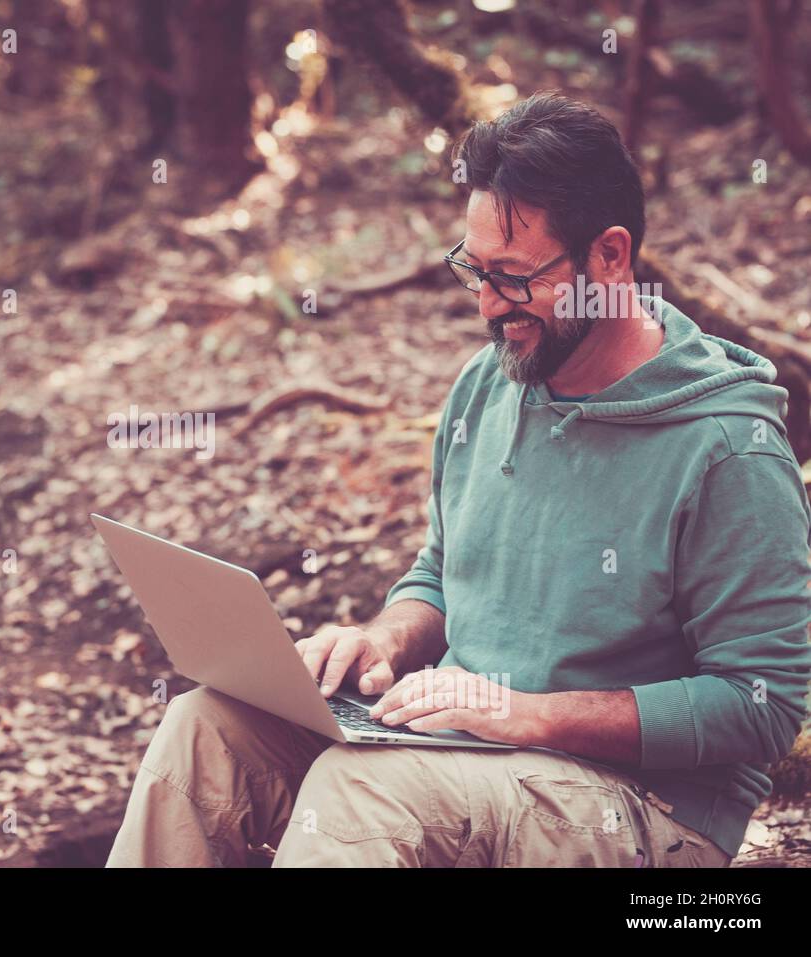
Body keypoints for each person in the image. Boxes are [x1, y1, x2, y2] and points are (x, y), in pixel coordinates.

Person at [104, 92, 811, 868]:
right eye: (474, 270)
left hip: (647, 811)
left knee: (363, 795)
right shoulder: (490, 383)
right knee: (202, 731)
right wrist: (383, 637)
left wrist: (535, 715)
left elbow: (765, 704)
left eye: (512, 276)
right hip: (469, 748)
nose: (485, 304)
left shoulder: (728, 449)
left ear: (610, 257)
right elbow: (444, 572)